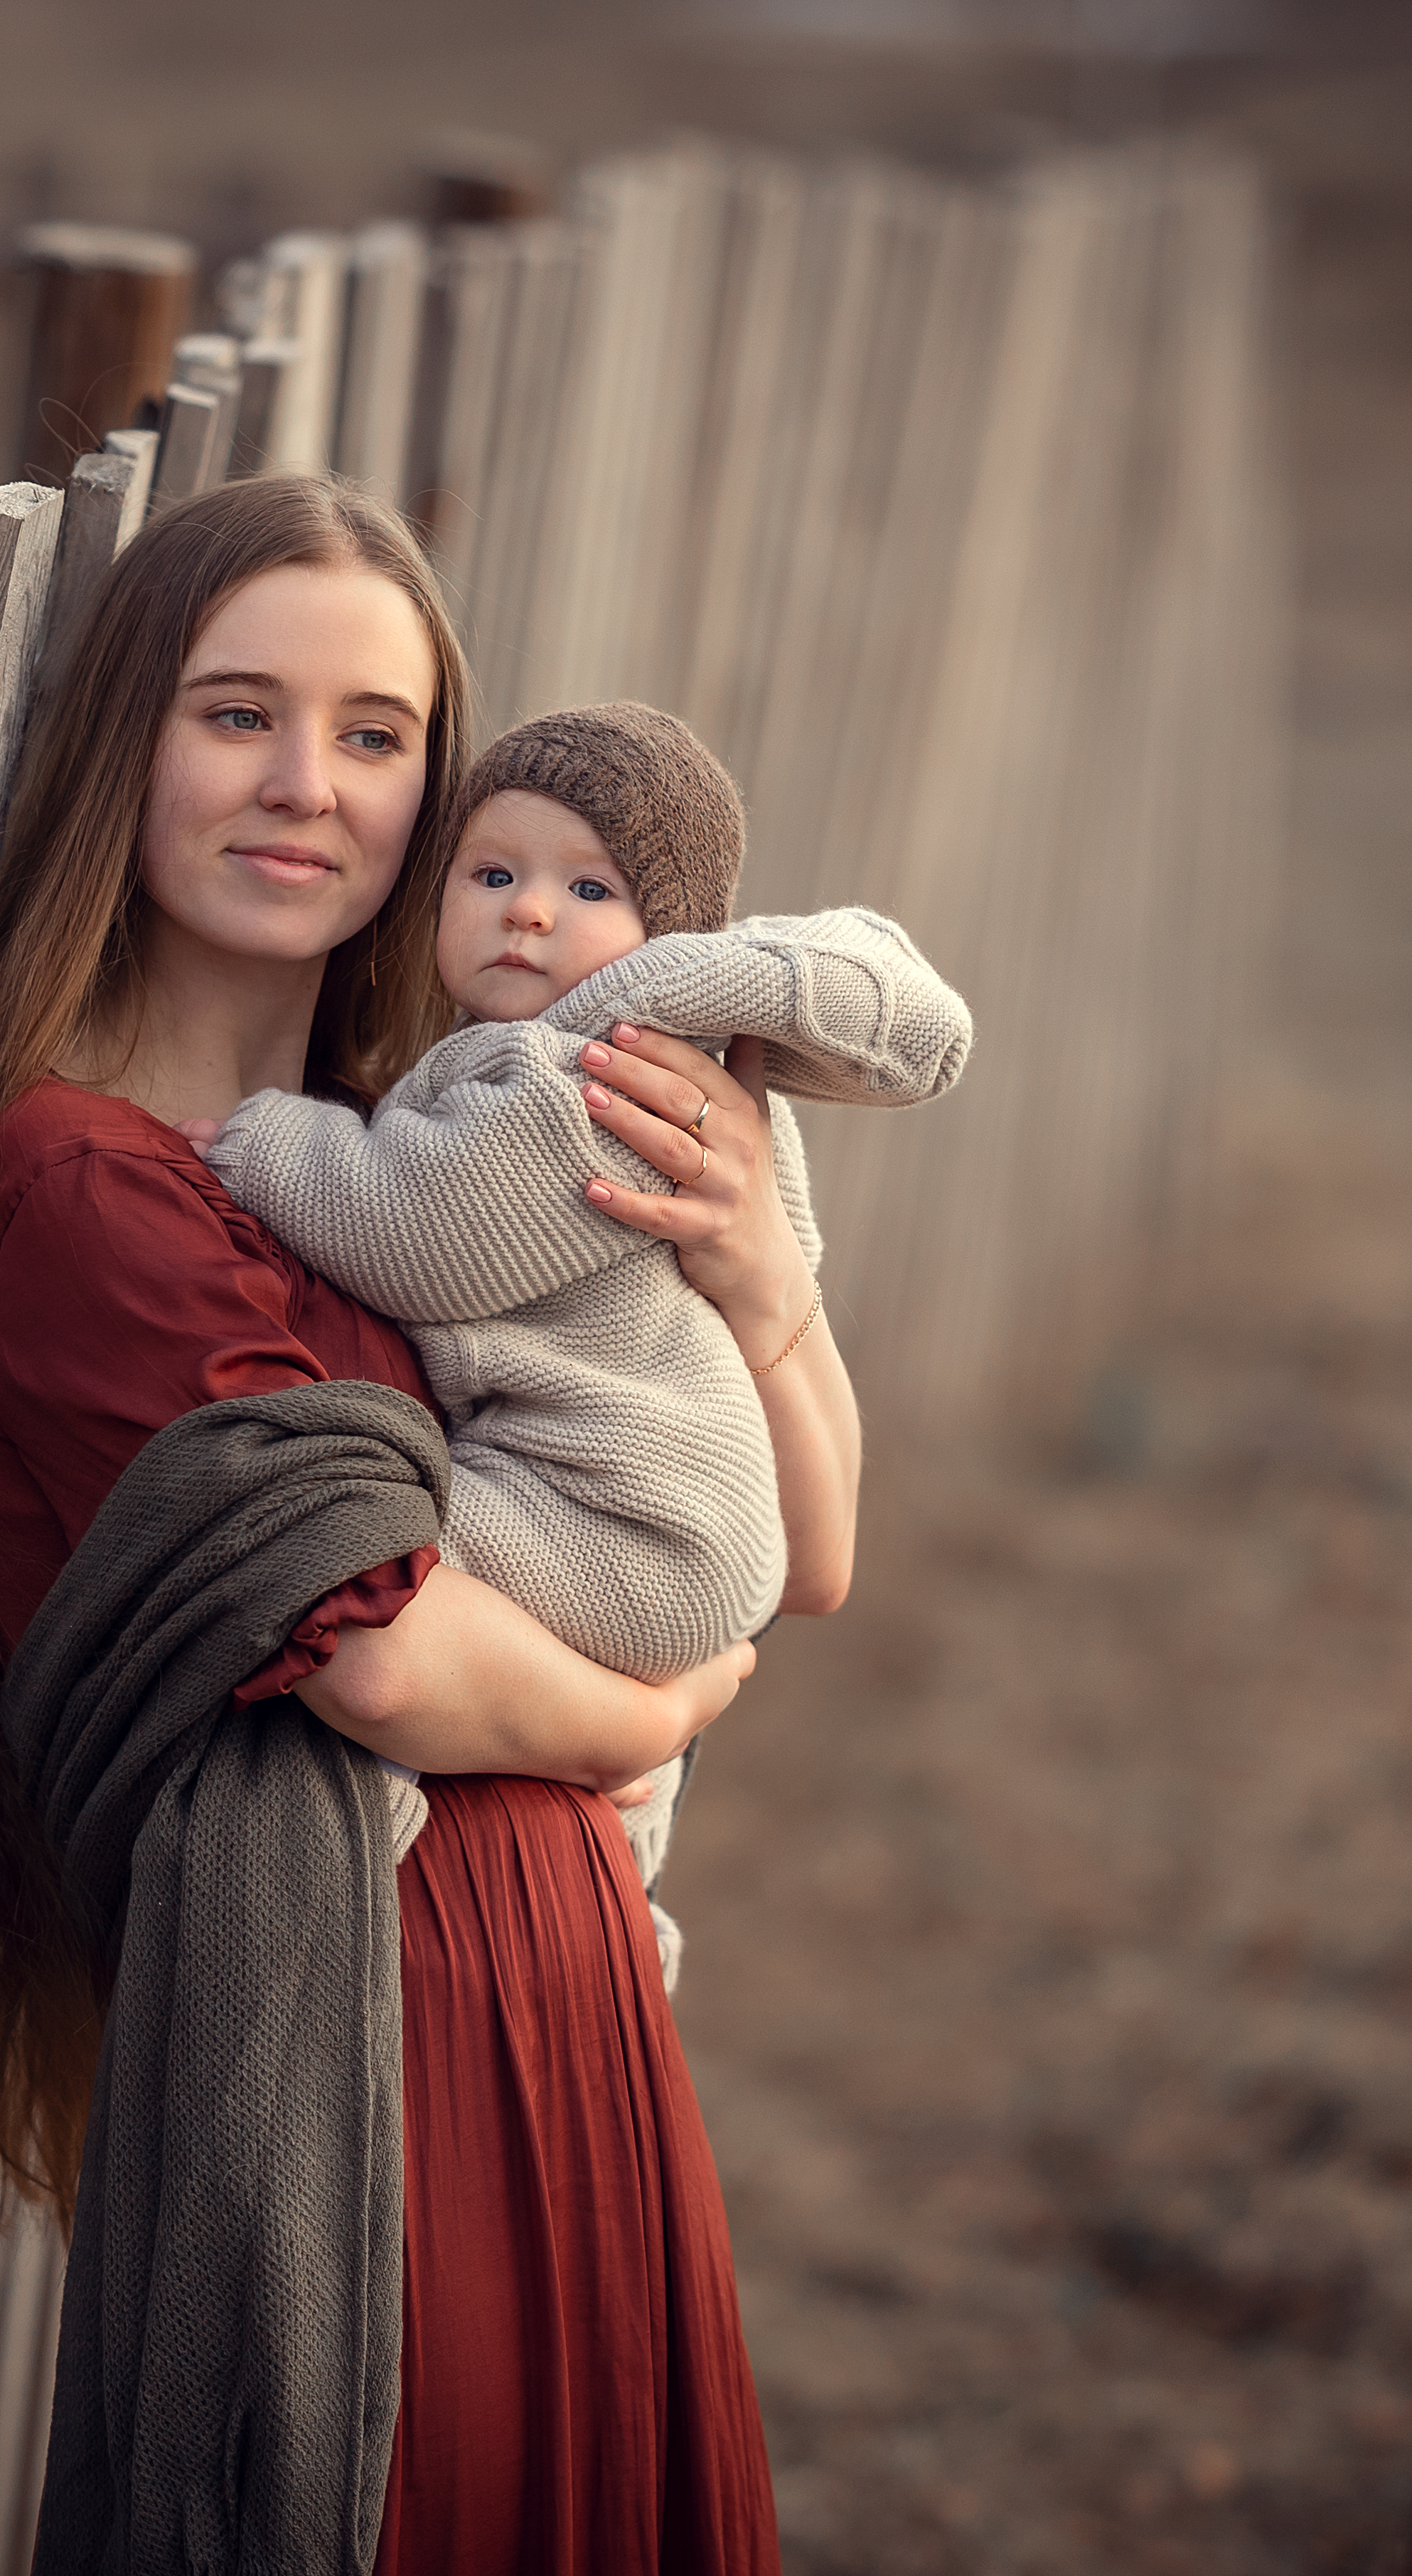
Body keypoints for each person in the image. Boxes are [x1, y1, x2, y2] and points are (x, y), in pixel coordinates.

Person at [0, 474, 850, 2575]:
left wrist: (759, 1281)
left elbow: (806, 1551)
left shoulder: (424, 1181)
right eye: (235, 714)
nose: (307, 788)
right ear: (124, 755)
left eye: (375, 739)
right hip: (377, 2070)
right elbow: (378, 1651)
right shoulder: (88, 1186)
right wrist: (672, 1699)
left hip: (556, 2018)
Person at [194, 702, 970, 1992]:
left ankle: (372, 1794)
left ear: (669, 945)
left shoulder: (603, 1080)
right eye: (492, 874)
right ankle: (639, 1909)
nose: (528, 913)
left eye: (586, 887)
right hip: (675, 1531)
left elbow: (415, 1233)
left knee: (380, 1549)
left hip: (624, 1519)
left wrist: (263, 1138)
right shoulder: (626, 1078)